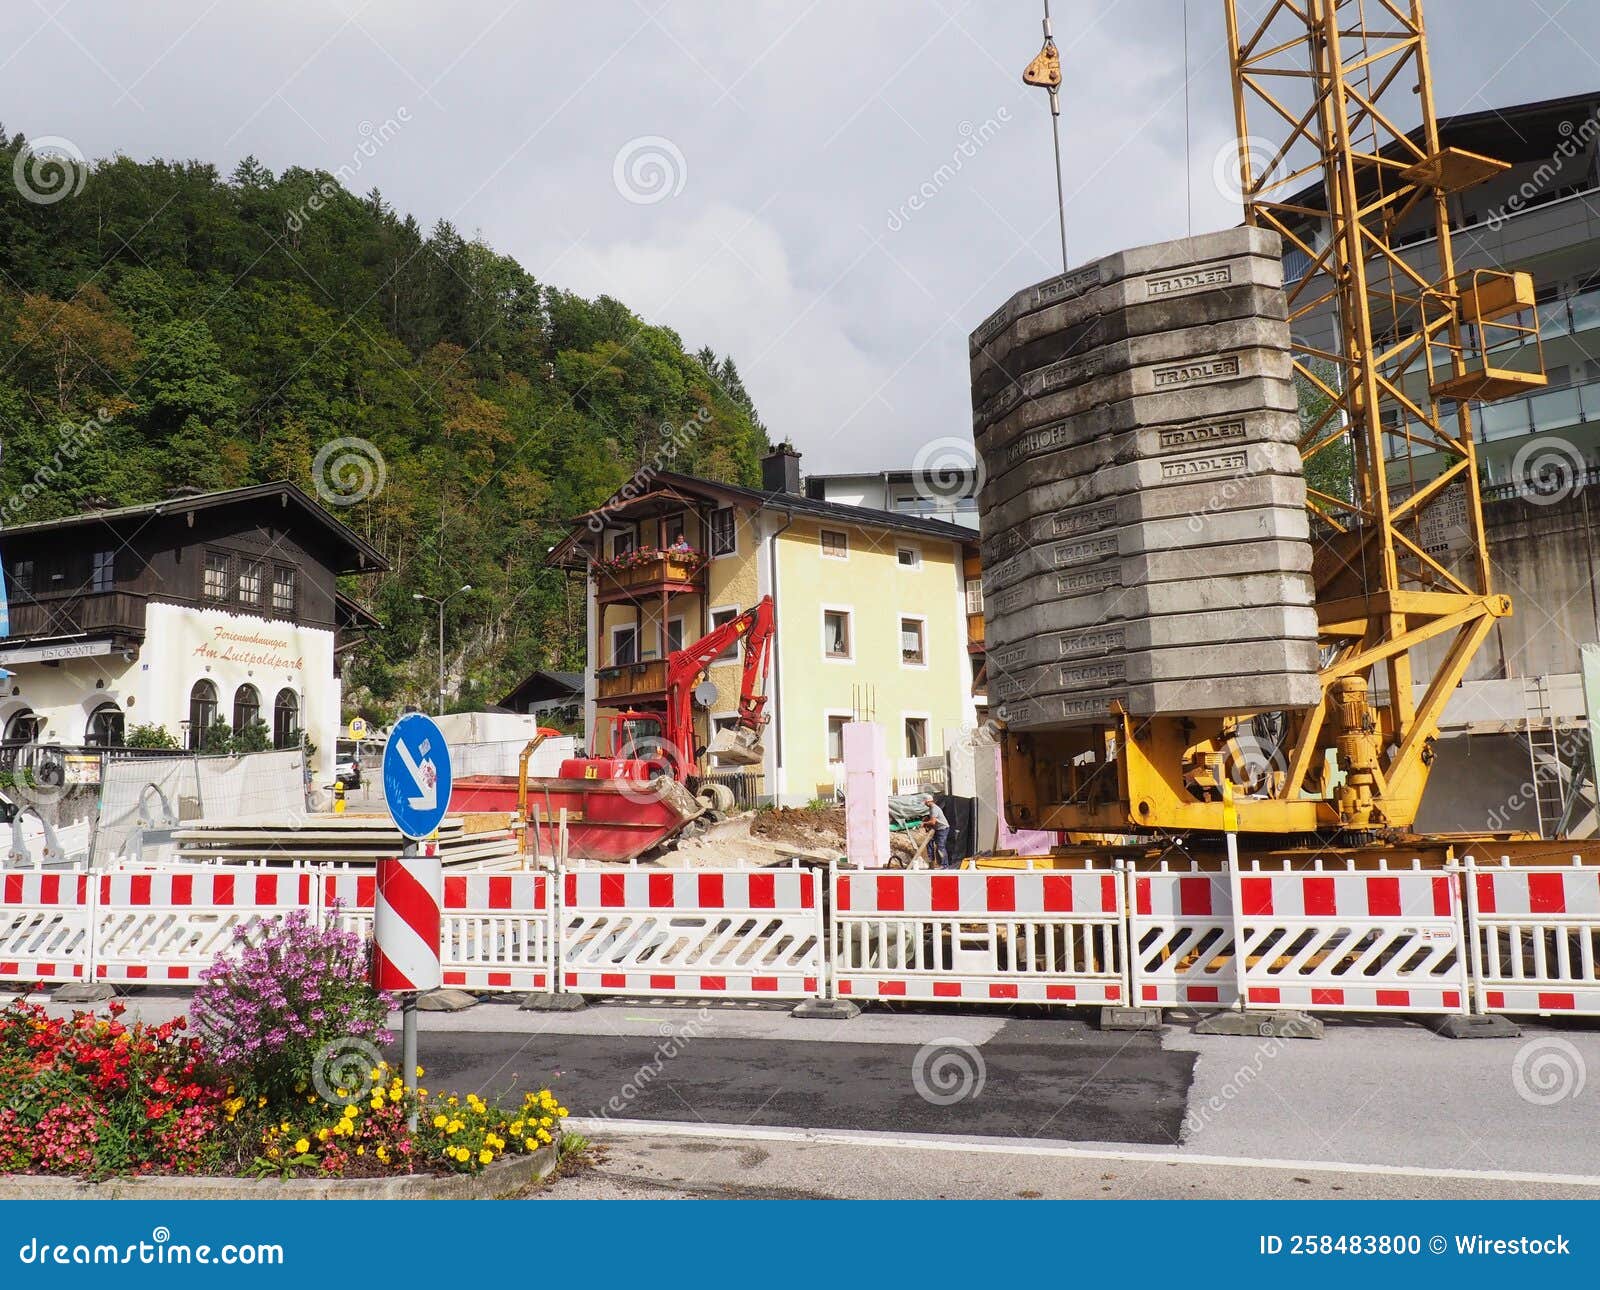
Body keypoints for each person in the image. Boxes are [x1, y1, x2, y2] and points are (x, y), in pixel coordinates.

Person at [923, 794, 953, 869]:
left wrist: (925, 823)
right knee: (929, 843)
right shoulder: (931, 808)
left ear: (928, 802)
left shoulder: (934, 809)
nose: (925, 804)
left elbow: (933, 822)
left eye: (925, 802)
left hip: (943, 829)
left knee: (940, 847)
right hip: (937, 829)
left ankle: (945, 865)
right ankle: (932, 863)